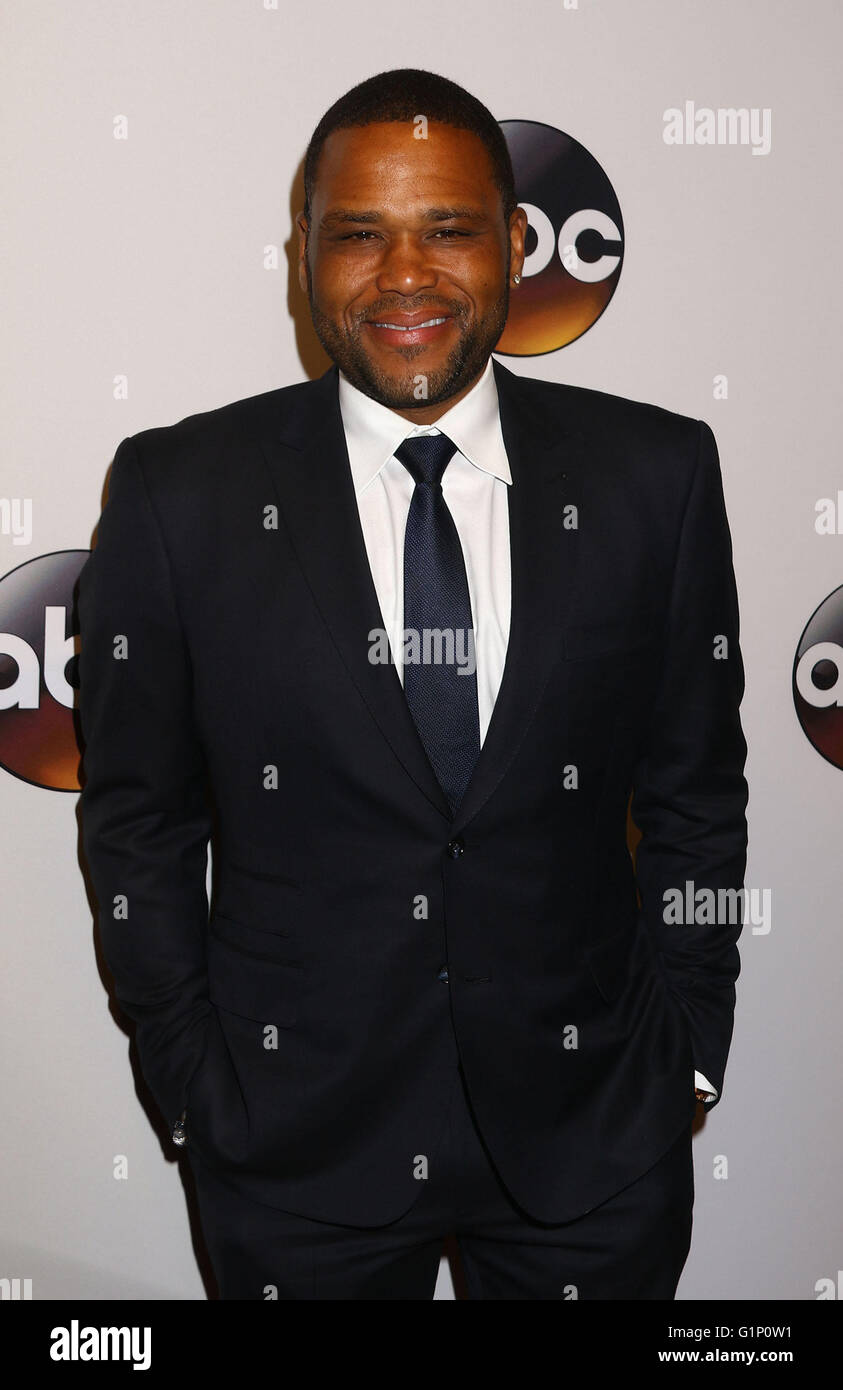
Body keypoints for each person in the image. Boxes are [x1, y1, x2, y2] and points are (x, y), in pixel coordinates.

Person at [77, 67, 749, 1300]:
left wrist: (690, 1046)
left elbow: (697, 794)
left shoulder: (657, 475)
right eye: (358, 236)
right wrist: (192, 1083)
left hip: (594, 1138)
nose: (404, 276)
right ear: (303, 257)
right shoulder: (181, 495)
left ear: (515, 243)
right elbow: (139, 821)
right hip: (292, 1151)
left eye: (447, 230)